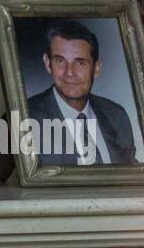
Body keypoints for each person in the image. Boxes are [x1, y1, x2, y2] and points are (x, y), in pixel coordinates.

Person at [25, 20, 137, 165]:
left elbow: (132, 172)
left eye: (80, 63)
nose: (69, 72)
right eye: (60, 61)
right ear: (48, 63)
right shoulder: (26, 116)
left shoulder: (116, 115)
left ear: (96, 69)